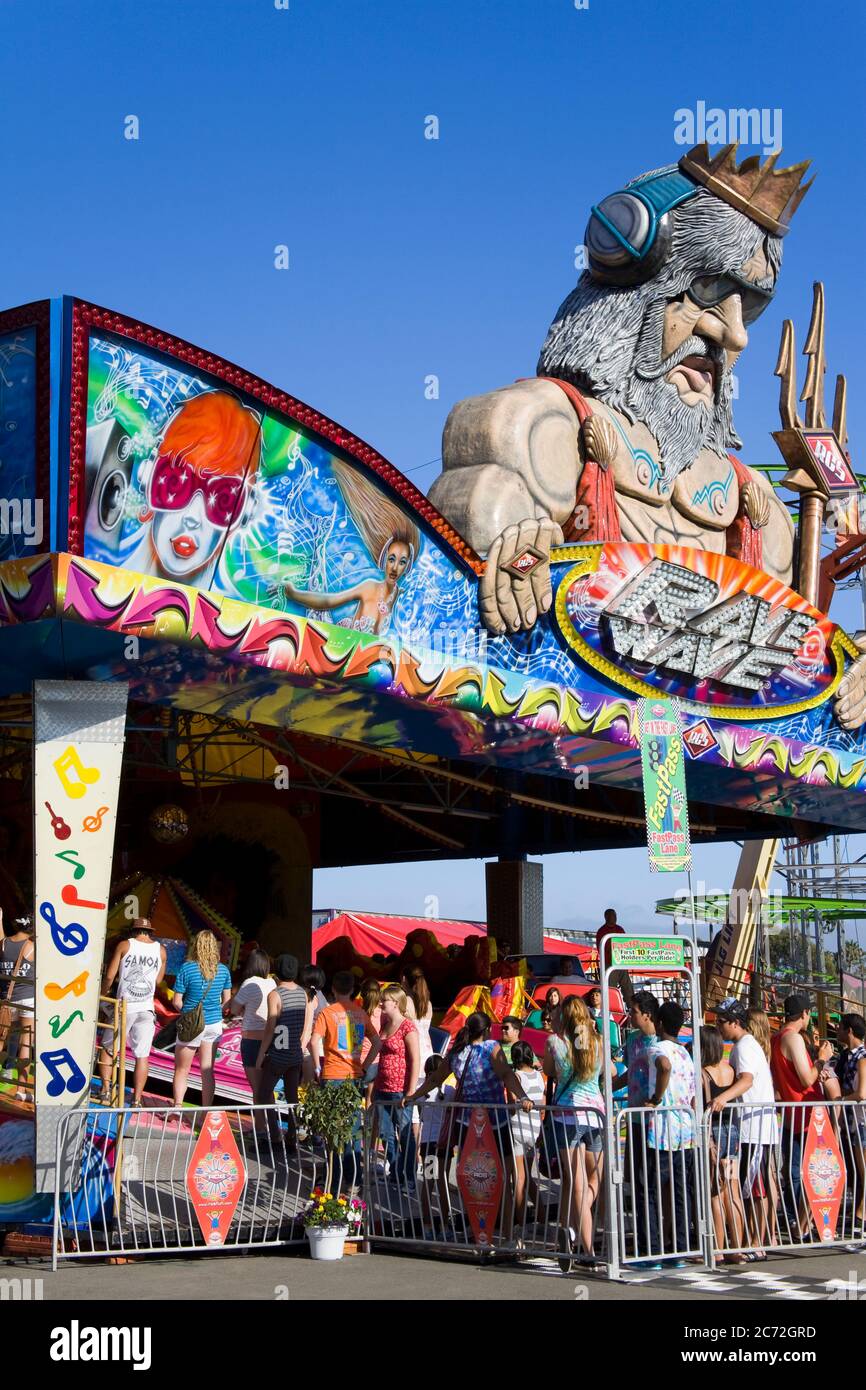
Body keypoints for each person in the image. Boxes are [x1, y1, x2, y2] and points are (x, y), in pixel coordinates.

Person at [410, 1012, 532, 1238]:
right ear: (486, 1030)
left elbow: (435, 1078)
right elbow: (506, 1075)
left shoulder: (457, 1052)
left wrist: (412, 1096)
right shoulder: (491, 1048)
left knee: (470, 1177)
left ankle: (476, 1227)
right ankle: (504, 1232)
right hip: (495, 1121)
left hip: (467, 1123)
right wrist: (523, 1096)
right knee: (503, 1177)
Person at [714, 998, 780, 1260]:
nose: (718, 1025)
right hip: (755, 1127)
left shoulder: (743, 1047)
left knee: (756, 1190)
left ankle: (755, 1243)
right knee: (754, 1189)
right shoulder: (746, 1045)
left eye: (721, 1021)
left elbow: (747, 1080)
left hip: (755, 1128)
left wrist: (722, 1098)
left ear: (735, 1022)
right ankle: (754, 1241)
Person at [544, 994, 604, 1261]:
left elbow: (550, 1071)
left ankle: (584, 1246)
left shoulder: (556, 1042)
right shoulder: (597, 1042)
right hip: (595, 1114)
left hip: (567, 1114)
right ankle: (575, 1235)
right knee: (594, 1178)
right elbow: (609, 1072)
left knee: (576, 1183)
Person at [769, 992, 834, 1237]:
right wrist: (821, 1060)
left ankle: (800, 1221)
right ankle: (803, 1223)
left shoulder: (777, 1038)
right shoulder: (793, 1038)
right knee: (815, 1171)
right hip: (807, 1114)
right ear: (805, 1013)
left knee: (797, 1169)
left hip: (794, 1112)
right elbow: (806, 1077)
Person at [310, 970, 381, 1185]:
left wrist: (316, 1067)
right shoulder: (360, 1013)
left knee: (332, 1129)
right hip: (354, 1076)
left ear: (332, 989)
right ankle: (354, 1178)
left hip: (332, 1074)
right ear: (353, 990)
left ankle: (334, 1178)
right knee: (352, 1128)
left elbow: (314, 1041)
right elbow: (377, 1042)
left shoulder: (327, 1013)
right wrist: (365, 1066)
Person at [611, 990, 660, 1262]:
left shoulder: (660, 1042)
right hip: (634, 1117)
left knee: (652, 1181)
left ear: (648, 1015)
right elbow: (631, 1072)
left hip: (655, 1120)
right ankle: (643, 1238)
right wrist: (609, 1086)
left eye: (634, 1012)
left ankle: (653, 1240)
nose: (630, 1016)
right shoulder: (632, 1041)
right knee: (637, 1182)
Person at [647, 1001, 696, 1261]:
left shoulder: (657, 1048)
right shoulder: (685, 1053)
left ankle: (655, 1248)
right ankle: (680, 1245)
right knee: (680, 1190)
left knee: (652, 1189)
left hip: (663, 1129)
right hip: (685, 1130)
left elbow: (664, 1066)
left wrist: (656, 1096)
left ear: (660, 1023)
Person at [99, 919, 166, 1107]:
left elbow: (110, 976)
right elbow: (159, 980)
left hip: (124, 1006)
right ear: (149, 932)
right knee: (142, 1055)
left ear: (133, 930)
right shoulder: (161, 950)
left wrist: (103, 995)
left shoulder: (125, 945)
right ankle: (137, 1099)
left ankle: (105, 1090)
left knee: (109, 1048)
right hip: (146, 1008)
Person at [700, 1025, 746, 1263]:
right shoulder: (730, 1070)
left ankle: (718, 1248)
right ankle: (736, 1247)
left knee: (715, 1192)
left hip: (713, 1134)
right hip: (732, 1132)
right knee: (732, 1189)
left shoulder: (703, 1073)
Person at [171, 931, 232, 1109]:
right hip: (213, 1024)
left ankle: (177, 1108)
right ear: (215, 947)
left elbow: (176, 1002)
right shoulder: (223, 971)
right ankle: (206, 1113)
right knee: (207, 1071)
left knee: (182, 1070)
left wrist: (188, 1012)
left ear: (195, 946)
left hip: (191, 1025)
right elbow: (227, 1003)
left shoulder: (186, 968)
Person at [374, 985, 421, 1186]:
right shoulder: (384, 1023)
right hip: (381, 1087)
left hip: (400, 1089)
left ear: (395, 1002)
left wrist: (410, 1091)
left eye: (384, 1000)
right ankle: (395, 1171)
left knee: (404, 1134)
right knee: (386, 1133)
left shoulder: (407, 1027)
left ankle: (408, 1176)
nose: (381, 1003)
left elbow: (415, 1059)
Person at [228, 949, 275, 1112]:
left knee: (257, 1089)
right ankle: (272, 1130)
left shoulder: (249, 983)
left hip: (252, 1040)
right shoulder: (272, 983)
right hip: (270, 1039)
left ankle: (261, 1129)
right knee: (267, 1089)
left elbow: (234, 1009)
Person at [417, 1053, 455, 1238]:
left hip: (428, 1143)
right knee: (443, 1183)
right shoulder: (449, 1091)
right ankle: (445, 1226)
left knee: (428, 1183)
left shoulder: (422, 1091)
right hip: (443, 1142)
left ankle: (427, 1225)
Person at [833, 1013, 866, 1224]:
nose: (837, 1030)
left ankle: (861, 1214)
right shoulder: (846, 1055)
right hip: (854, 1120)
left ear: (850, 1030)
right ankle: (859, 1211)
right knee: (859, 1169)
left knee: (863, 1169)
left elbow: (861, 1093)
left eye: (840, 1027)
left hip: (861, 1118)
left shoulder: (862, 1057)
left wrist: (838, 1098)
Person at [509, 1039, 545, 1231]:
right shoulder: (539, 1077)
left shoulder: (516, 1076)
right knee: (529, 1177)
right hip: (535, 1128)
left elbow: (512, 1104)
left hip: (518, 1129)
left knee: (520, 1178)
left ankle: (520, 1222)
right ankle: (541, 1215)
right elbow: (542, 1103)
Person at [0, 910, 35, 1102]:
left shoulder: (3, 944)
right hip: (28, 1000)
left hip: (7, 1000)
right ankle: (21, 1090)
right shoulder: (32, 948)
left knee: (1, 1041)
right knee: (25, 1043)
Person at [595, 908, 634, 1006]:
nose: (615, 918)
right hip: (609, 964)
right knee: (610, 989)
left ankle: (631, 1007)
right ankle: (611, 1008)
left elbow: (626, 944)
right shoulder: (601, 931)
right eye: (612, 916)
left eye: (615, 915)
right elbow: (601, 949)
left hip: (620, 963)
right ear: (606, 917)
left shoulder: (620, 929)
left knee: (627, 987)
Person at [586, 985, 620, 1052]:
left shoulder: (607, 1013)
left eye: (597, 995)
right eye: (592, 996)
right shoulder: (587, 1011)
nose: (594, 997)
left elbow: (611, 1028)